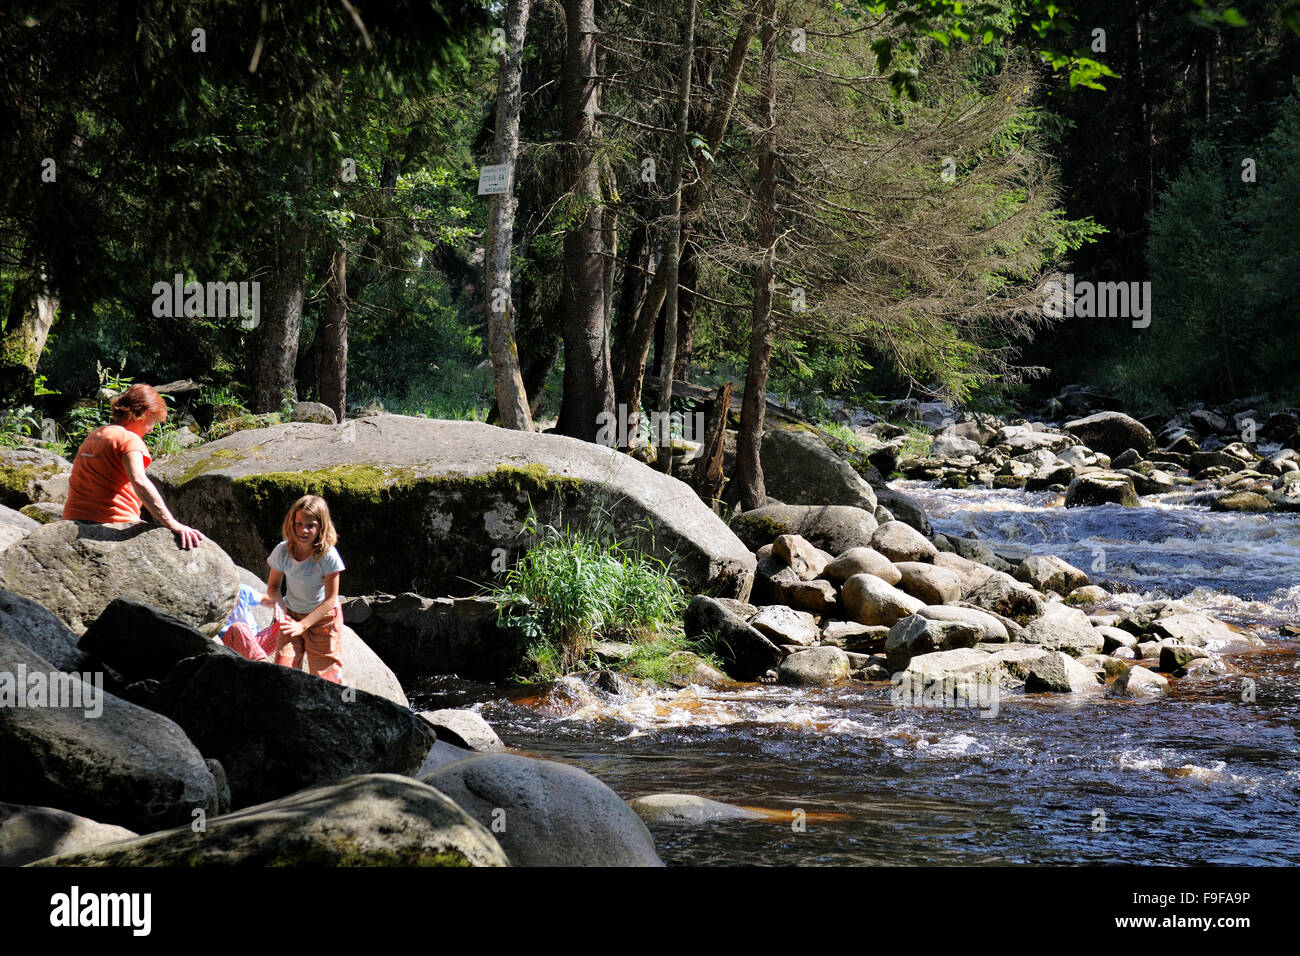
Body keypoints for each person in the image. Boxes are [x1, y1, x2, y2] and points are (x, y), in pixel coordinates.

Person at [61, 383, 204, 549]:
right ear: (147, 413)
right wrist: (172, 523)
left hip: (72, 518)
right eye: (154, 422)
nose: (151, 430)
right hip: (112, 524)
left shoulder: (96, 434)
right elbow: (139, 480)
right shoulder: (130, 440)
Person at [265, 494, 345, 683]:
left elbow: (331, 599)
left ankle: (338, 708)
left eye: (310, 525)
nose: (303, 530)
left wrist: (303, 625)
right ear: (291, 523)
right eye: (299, 524)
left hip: (323, 619)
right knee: (284, 670)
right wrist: (281, 611)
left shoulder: (327, 555)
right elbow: (274, 587)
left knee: (327, 677)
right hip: (291, 615)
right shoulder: (283, 550)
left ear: (321, 526)